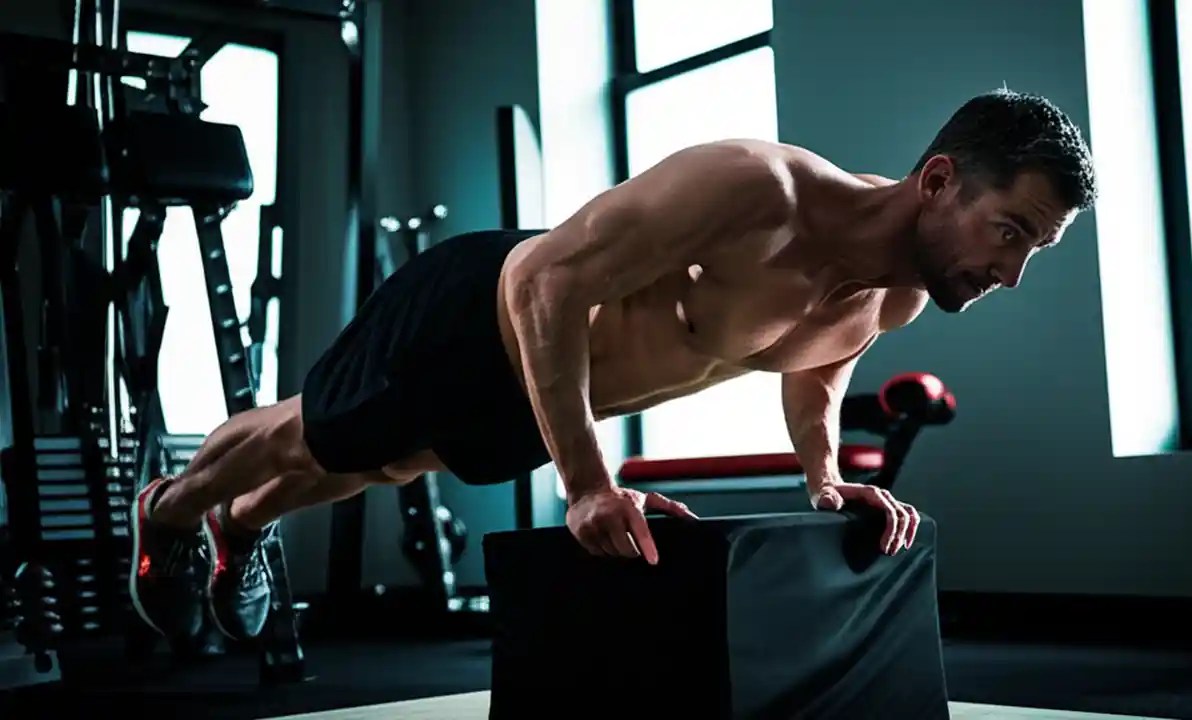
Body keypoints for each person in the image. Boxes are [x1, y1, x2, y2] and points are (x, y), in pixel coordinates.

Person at [127, 88, 1097, 644]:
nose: (1009, 273)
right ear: (936, 180)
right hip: (479, 314)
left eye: (1031, 252)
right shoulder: (754, 187)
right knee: (312, 434)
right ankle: (171, 509)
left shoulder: (895, 295)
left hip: (545, 393)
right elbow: (546, 283)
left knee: (376, 468)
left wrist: (823, 477)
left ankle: (242, 524)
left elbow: (815, 368)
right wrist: (588, 485)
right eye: (1006, 232)